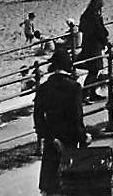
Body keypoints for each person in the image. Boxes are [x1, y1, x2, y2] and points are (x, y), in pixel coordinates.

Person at [34, 49, 88, 195]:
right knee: (70, 182)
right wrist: (83, 137)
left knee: (50, 184)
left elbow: (38, 117)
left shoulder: (44, 88)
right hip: (69, 137)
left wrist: (49, 137)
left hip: (52, 139)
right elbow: (77, 117)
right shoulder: (74, 87)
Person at [78, 0, 111, 103]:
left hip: (87, 45)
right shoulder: (95, 17)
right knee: (94, 70)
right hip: (94, 46)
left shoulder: (85, 16)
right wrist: (106, 42)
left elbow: (81, 29)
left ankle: (91, 93)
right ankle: (86, 94)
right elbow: (100, 32)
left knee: (93, 70)